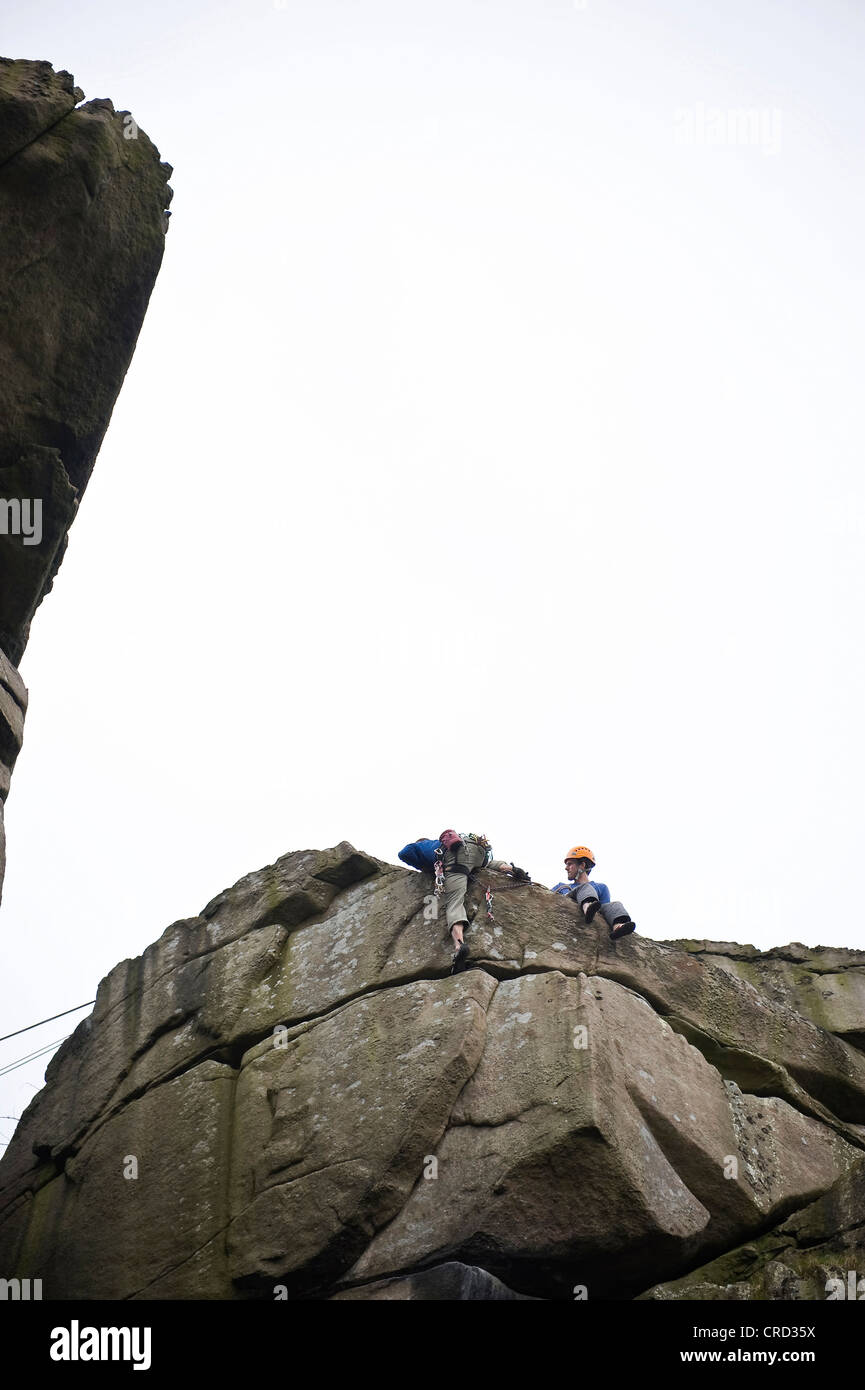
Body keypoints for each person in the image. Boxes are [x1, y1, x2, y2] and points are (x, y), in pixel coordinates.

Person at [551, 845, 636, 940]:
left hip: (596, 909)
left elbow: (604, 908)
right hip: (570, 900)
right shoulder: (561, 886)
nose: (566, 868)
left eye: (570, 864)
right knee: (586, 887)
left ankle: (618, 927)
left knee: (615, 904)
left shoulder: (601, 887)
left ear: (582, 865)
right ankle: (588, 908)